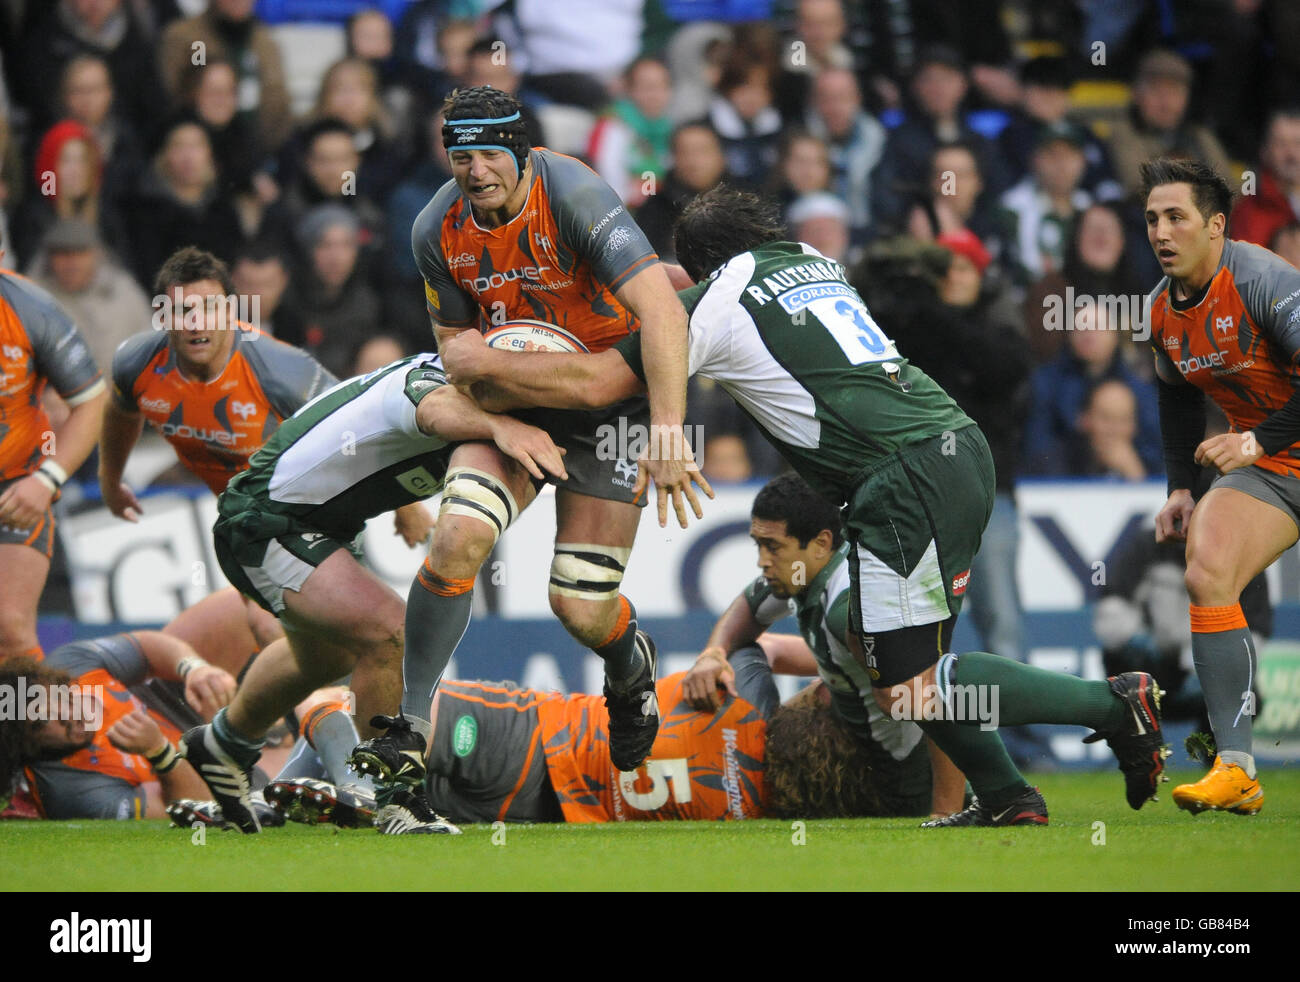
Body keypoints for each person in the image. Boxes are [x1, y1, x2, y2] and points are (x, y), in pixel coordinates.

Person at [442, 183, 1174, 827]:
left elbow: (601, 382)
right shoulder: (809, 264)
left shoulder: (716, 300)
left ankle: (1115, 706)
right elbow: (696, 300)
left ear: (701, 269)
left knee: (909, 688)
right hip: (951, 449)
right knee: (919, 669)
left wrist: (486, 363)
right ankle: (1009, 796)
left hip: (901, 475)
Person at [362, 84, 703, 822]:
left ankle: (627, 662)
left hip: (612, 405)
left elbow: (663, 311)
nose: (475, 170)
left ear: (519, 152)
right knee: (458, 535)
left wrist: (671, 428)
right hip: (513, 408)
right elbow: (456, 354)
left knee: (579, 606)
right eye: (461, 156)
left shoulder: (575, 192)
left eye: (489, 153)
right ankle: (410, 724)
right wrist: (502, 397)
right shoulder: (435, 229)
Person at [178, 352, 566, 834]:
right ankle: (395, 799)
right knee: (390, 634)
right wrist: (500, 427)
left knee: (325, 661)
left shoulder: (484, 402)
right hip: (266, 519)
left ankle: (223, 744)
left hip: (322, 526)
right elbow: (430, 411)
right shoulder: (433, 382)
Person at [1143, 155, 1300, 815]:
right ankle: (1235, 768)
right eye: (1151, 218)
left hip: (1264, 447)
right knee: (1207, 568)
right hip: (1273, 465)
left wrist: (1256, 438)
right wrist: (1182, 487)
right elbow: (1176, 398)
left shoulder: (1264, 278)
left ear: (1216, 225)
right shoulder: (1159, 311)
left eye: (1176, 217)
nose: (1160, 232)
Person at [682, 473, 966, 818]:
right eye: (758, 544)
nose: (761, 560)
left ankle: (743, 781)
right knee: (741, 651)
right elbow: (749, 609)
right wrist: (712, 654)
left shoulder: (847, 610)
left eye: (772, 547)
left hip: (895, 789)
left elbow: (936, 694)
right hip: (873, 761)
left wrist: (947, 810)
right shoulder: (808, 571)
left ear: (820, 543)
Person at [0, 631, 238, 821]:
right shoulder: (75, 793)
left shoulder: (70, 665)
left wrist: (194, 669)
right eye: (41, 722)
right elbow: (199, 807)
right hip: (204, 769)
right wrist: (159, 752)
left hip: (175, 705)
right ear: (29, 750)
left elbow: (145, 647)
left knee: (234, 608)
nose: (65, 713)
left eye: (56, 698)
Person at [0, 267, 107, 662]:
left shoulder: (33, 309)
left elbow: (91, 401)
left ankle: (23, 724)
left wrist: (48, 479)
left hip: (13, 487)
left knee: (10, 630)